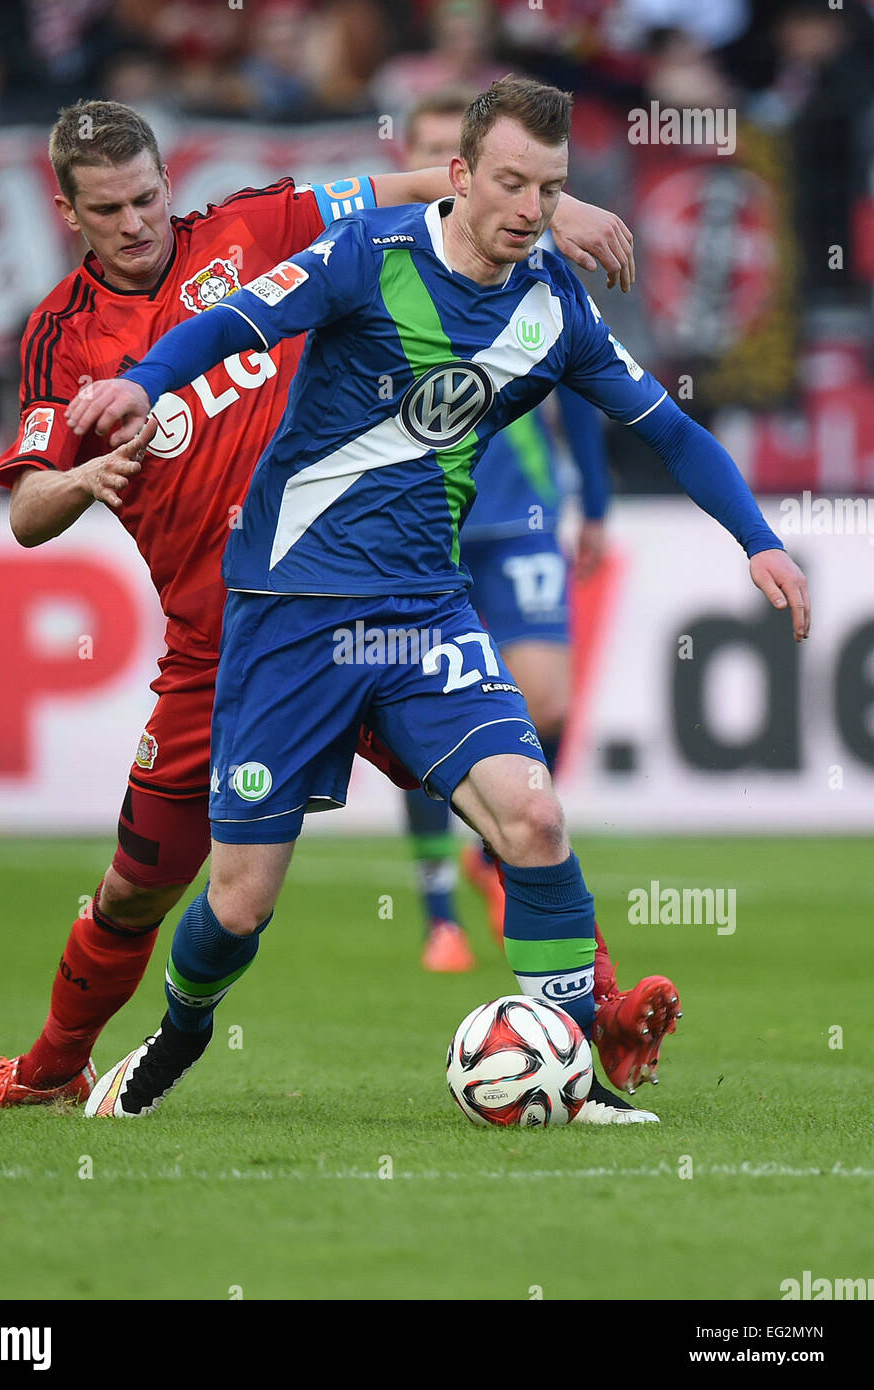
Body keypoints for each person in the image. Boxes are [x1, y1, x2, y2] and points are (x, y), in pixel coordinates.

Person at [72, 77, 809, 1125]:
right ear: (460, 174)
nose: (526, 208)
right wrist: (144, 382)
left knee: (535, 817)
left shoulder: (554, 309)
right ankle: (175, 1040)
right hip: (292, 608)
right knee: (237, 904)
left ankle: (575, 1074)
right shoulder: (368, 256)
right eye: (508, 182)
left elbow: (671, 431)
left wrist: (759, 540)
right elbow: (235, 321)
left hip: (423, 608)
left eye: (548, 190)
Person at [0, 97, 638, 1112]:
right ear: (66, 210)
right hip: (224, 652)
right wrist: (81, 481)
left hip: (368, 599)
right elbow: (29, 508)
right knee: (138, 888)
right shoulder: (60, 338)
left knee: (515, 805)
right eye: (109, 209)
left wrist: (551, 215)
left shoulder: (260, 225)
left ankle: (598, 1019)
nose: (136, 224)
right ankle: (48, 1069)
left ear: (170, 182)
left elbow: (431, 185)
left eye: (148, 197)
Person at [398, 89, 611, 977]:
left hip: (516, 513)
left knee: (549, 700)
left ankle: (499, 857)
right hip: (413, 528)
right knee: (419, 726)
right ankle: (439, 911)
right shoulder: (377, 265)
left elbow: (589, 383)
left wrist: (593, 502)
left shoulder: (530, 270)